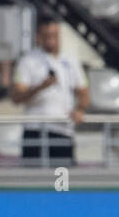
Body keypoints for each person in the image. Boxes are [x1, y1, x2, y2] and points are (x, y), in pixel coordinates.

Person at [12, 15, 88, 163]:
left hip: (63, 129)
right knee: (35, 181)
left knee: (62, 182)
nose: (50, 39)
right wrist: (40, 87)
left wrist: (80, 109)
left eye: (54, 35)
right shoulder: (28, 60)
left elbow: (84, 93)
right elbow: (16, 97)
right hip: (35, 129)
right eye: (46, 35)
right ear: (38, 37)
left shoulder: (71, 60)